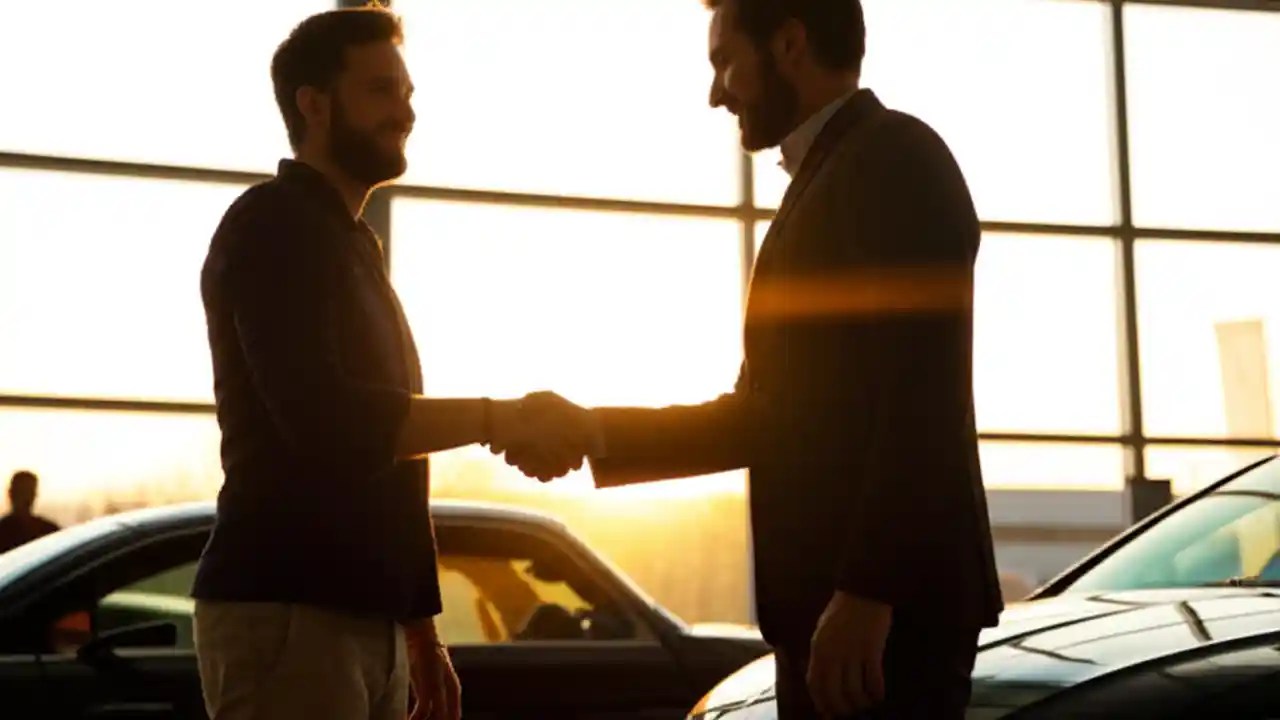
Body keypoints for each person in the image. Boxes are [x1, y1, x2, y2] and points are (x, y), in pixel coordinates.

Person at [500, 1, 1003, 717]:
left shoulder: (895, 160)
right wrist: (593, 430)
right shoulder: (836, 177)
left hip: (880, 626)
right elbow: (767, 416)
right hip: (841, 619)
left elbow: (923, 398)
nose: (716, 92)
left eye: (723, 61)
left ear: (790, 43)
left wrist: (868, 593)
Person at [193, 7, 578, 720]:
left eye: (405, 93)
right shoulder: (272, 225)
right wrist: (498, 418)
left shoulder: (349, 244)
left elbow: (391, 462)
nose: (405, 112)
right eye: (381, 91)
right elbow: (333, 422)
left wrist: (420, 630)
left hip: (354, 618)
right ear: (314, 104)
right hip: (290, 611)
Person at [0, 471, 60, 553]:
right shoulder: (49, 531)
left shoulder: (49, 532)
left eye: (29, 492)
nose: (26, 498)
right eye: (22, 492)